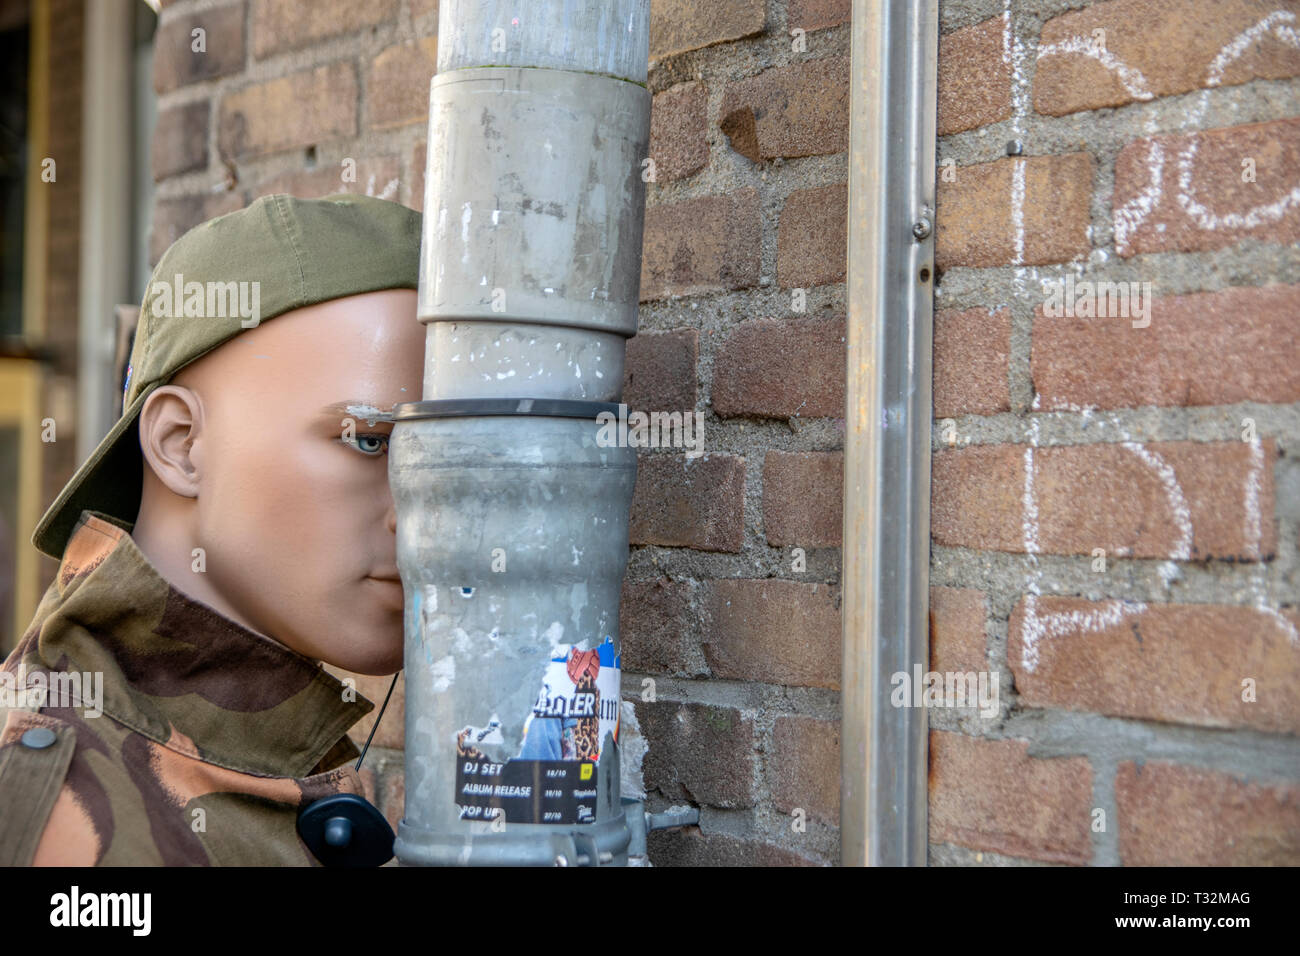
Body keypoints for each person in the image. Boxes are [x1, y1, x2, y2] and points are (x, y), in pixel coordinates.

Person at [0, 194, 423, 865]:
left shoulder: (265, 766)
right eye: (370, 442)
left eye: (439, 458)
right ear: (181, 442)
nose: (422, 516)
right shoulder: (40, 809)